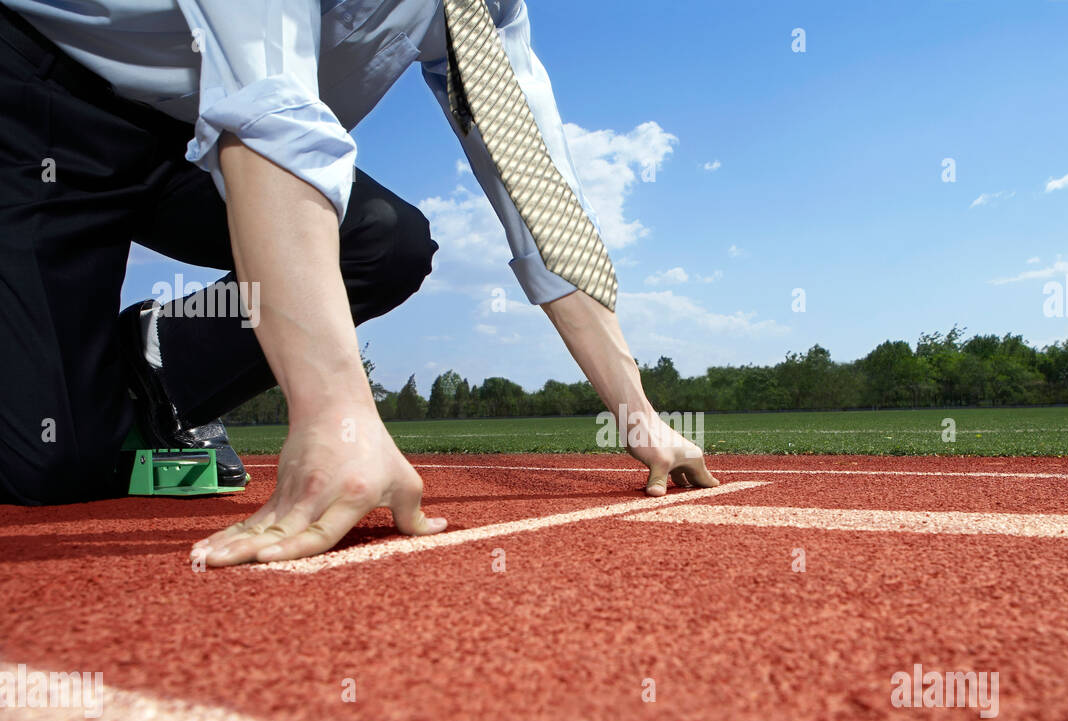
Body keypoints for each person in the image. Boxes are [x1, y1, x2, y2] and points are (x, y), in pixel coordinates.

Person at [0, 0, 716, 566]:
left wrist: (637, 413)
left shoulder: (486, 11)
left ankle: (156, 357)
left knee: (387, 243)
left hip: (189, 129)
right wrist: (334, 416)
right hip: (47, 105)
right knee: (49, 464)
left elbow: (541, 199)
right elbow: (268, 110)